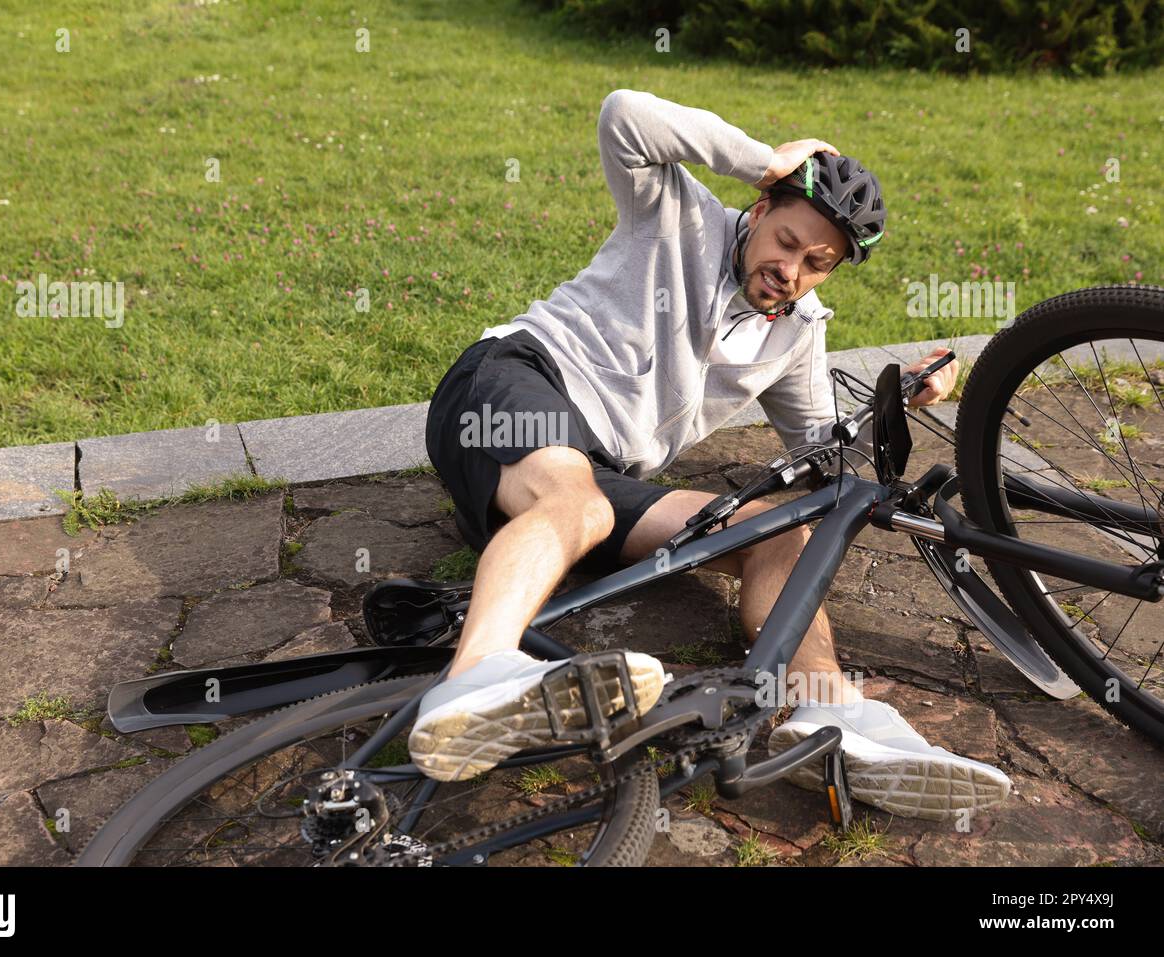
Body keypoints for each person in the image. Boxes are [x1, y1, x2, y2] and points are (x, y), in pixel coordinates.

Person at [408, 88, 1011, 822]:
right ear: (758, 211)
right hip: (512, 385)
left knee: (779, 534)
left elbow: (824, 460)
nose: (792, 270)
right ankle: (474, 678)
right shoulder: (675, 216)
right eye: (787, 242)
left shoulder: (795, 334)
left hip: (594, 481)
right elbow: (622, 115)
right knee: (577, 500)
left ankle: (830, 716)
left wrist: (904, 395)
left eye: (817, 263)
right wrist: (761, 159)